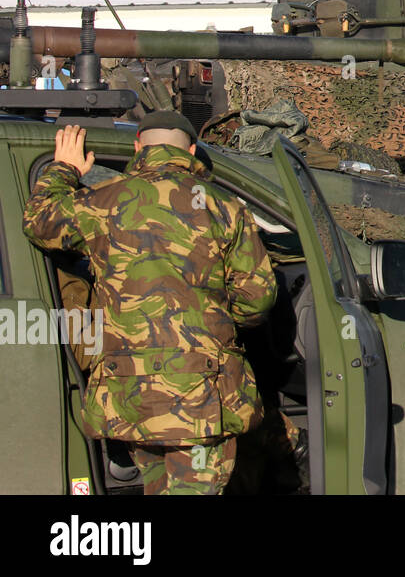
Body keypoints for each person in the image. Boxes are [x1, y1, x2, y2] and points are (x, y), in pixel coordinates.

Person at [22, 113, 278, 494]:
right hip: (201, 397)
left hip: (130, 395)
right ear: (192, 151)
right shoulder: (225, 207)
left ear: (138, 146)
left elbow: (40, 222)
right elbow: (257, 301)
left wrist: (63, 170)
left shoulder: (101, 202)